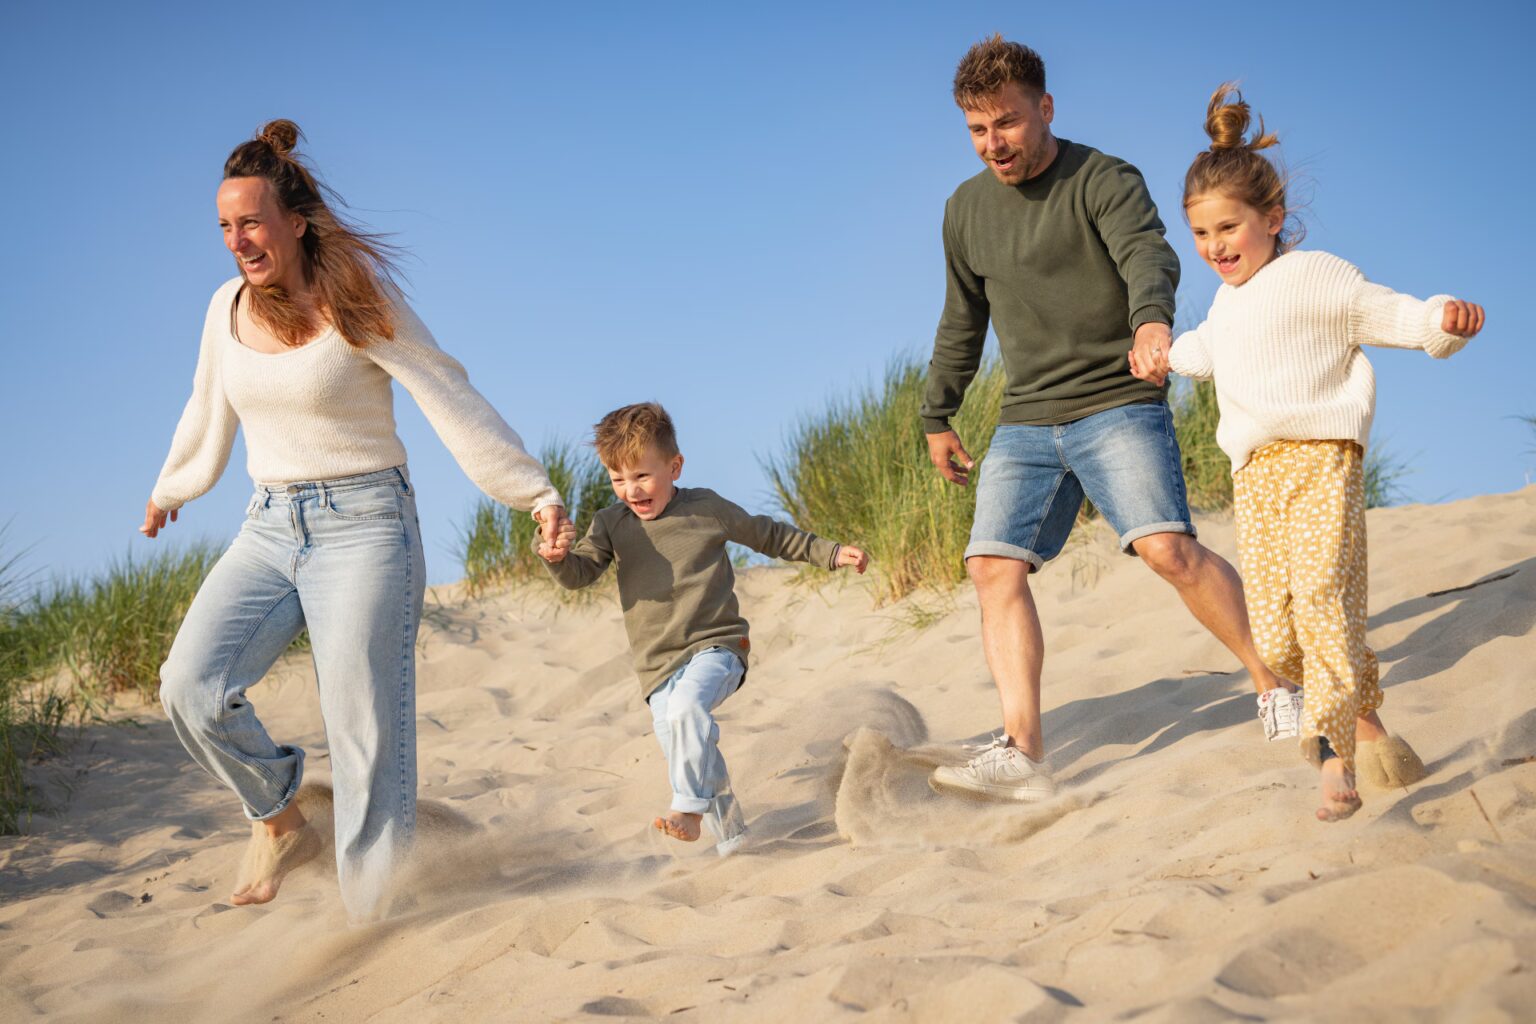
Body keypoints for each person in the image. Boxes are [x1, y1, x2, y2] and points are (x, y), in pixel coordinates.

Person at [143, 120, 570, 919]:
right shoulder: (224, 308)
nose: (238, 240)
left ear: (295, 221)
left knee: (364, 733)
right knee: (189, 686)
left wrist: (533, 492)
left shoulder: (354, 298)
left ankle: (375, 924)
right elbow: (208, 406)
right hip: (269, 526)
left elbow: (446, 391)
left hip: (367, 523)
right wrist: (174, 487)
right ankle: (280, 819)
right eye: (226, 227)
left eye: (252, 222)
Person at [921, 36, 1298, 804]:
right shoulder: (964, 211)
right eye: (977, 129)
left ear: (1045, 109)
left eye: (1008, 123)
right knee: (992, 566)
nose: (994, 143)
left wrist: (1151, 324)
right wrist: (938, 411)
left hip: (1116, 398)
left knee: (1166, 550)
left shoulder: (1102, 178)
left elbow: (1146, 257)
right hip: (1027, 416)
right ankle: (1023, 753)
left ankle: (1276, 682)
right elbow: (962, 319)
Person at [1160, 85, 1483, 820]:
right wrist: (1163, 356)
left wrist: (1444, 319)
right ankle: (1371, 726)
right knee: (1274, 632)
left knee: (1325, 607)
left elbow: (1391, 312)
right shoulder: (1223, 301)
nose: (1215, 247)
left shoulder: (1318, 276)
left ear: (1272, 218)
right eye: (1201, 234)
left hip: (1320, 461)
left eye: (1228, 227)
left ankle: (1333, 759)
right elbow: (1206, 350)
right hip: (1256, 478)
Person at [538, 403, 868, 852]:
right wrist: (557, 558)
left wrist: (829, 552)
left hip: (718, 645)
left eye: (642, 476)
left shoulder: (706, 508)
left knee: (688, 710)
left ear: (674, 467)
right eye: (618, 479)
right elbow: (581, 575)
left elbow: (767, 534)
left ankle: (688, 810)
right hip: (656, 666)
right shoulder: (610, 524)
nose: (631, 490)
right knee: (687, 745)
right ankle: (734, 839)